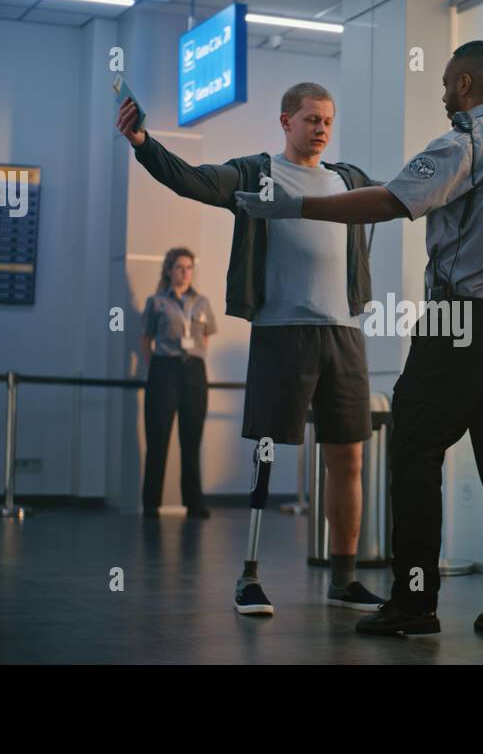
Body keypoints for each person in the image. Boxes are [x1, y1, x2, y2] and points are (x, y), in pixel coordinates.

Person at [236, 41, 483, 639]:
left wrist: (297, 205)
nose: (441, 95)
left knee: (414, 452)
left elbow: (389, 201)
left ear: (465, 83)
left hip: (458, 321)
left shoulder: (461, 144)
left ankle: (414, 604)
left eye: (444, 84)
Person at [116, 83, 387, 617]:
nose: (321, 128)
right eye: (311, 119)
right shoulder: (255, 174)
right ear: (286, 121)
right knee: (266, 452)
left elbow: (399, 198)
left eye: (327, 120)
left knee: (348, 456)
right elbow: (191, 180)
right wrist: (143, 141)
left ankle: (344, 578)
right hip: (281, 331)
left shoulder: (349, 180)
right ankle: (250, 576)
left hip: (343, 333)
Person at [140, 247, 218, 519]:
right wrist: (158, 368)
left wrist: (193, 357)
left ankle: (194, 503)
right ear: (169, 270)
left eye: (189, 268)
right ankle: (151, 504)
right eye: (179, 268)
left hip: (194, 372)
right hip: (164, 370)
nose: (185, 273)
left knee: (192, 439)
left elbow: (205, 338)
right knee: (158, 439)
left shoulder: (202, 302)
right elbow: (145, 341)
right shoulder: (156, 302)